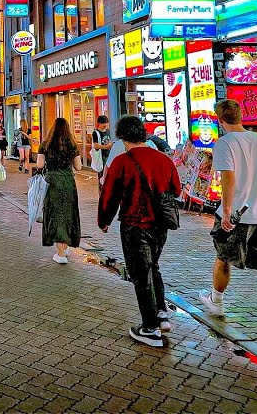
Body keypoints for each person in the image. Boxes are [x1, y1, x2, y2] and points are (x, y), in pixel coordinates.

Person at [197, 99, 257, 345]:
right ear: (241, 116)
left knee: (223, 258)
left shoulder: (225, 143)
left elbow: (228, 179)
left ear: (220, 120)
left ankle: (216, 302)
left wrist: (227, 211)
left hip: (237, 215)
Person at [99, 116, 182, 348]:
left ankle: (149, 329)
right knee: (152, 266)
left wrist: (104, 220)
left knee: (140, 273)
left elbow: (110, 194)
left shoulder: (122, 162)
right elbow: (175, 188)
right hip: (161, 226)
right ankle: (160, 313)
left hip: (135, 224)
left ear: (123, 137)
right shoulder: (164, 161)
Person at [37, 118, 82, 264]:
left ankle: (61, 253)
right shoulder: (72, 145)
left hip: (52, 181)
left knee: (54, 214)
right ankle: (65, 244)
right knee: (68, 213)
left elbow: (39, 164)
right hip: (68, 181)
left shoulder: (45, 144)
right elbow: (79, 167)